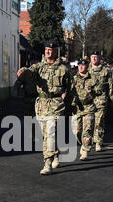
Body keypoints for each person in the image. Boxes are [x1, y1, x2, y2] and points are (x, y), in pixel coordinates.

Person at [17, 41, 71, 175]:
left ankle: (47, 163)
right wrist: (22, 72)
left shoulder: (63, 69)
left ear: (55, 51)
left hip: (56, 103)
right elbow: (29, 71)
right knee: (47, 134)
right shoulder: (39, 67)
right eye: (46, 49)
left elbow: (70, 86)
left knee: (51, 131)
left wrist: (66, 96)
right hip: (41, 104)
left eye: (51, 50)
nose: (48, 52)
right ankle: (56, 154)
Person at [70, 59, 96, 160]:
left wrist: (92, 91)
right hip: (77, 108)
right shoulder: (73, 79)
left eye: (83, 65)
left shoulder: (92, 78)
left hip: (89, 107)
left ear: (87, 66)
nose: (81, 67)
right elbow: (69, 91)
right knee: (77, 131)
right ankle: (83, 144)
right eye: (79, 65)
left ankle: (85, 149)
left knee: (88, 129)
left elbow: (99, 91)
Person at [89, 51, 113, 152]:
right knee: (89, 122)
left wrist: (111, 98)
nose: (94, 59)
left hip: (101, 99)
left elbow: (110, 86)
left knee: (99, 121)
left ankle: (98, 142)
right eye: (92, 57)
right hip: (88, 100)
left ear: (99, 58)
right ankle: (87, 140)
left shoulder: (106, 71)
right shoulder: (86, 69)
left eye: (96, 57)